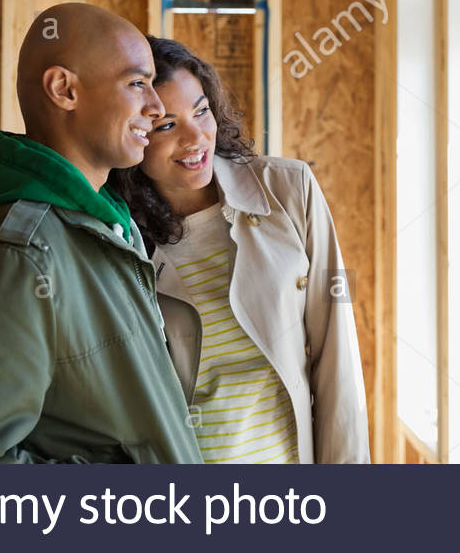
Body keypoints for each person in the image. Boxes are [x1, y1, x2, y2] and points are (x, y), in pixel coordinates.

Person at [0, 3, 203, 464]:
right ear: (64, 89)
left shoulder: (97, 224)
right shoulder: (17, 256)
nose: (156, 107)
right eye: (138, 83)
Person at [109, 36, 369, 464]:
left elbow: (336, 359)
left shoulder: (289, 190)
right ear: (135, 134)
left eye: (201, 112)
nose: (196, 138)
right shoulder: (118, 233)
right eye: (167, 126)